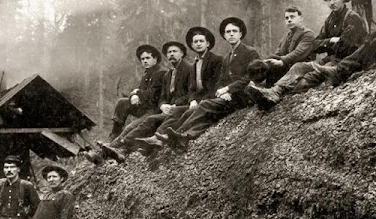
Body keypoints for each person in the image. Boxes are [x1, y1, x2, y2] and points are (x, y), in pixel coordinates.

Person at [151, 17, 260, 149]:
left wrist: (228, 89)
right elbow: (221, 81)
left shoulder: (250, 52)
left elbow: (251, 76)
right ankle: (182, 136)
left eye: (234, 31)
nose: (231, 34)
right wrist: (222, 91)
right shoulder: (227, 58)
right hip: (228, 97)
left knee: (205, 105)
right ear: (224, 36)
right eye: (228, 32)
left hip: (244, 95)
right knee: (196, 113)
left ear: (240, 34)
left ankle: (177, 135)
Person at [96, 36, 203, 162]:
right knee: (122, 103)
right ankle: (111, 143)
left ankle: (115, 147)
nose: (171, 55)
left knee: (133, 126)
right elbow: (163, 96)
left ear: (182, 53)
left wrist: (140, 93)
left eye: (175, 51)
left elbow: (191, 92)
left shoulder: (186, 69)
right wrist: (161, 104)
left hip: (164, 109)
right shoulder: (168, 74)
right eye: (169, 52)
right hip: (160, 107)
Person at [110, 44, 167, 138]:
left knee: (130, 127)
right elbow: (139, 90)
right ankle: (114, 134)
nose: (145, 61)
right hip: (145, 107)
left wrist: (137, 93)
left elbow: (152, 94)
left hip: (155, 110)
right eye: (142, 59)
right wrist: (134, 95)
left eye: (148, 58)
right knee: (122, 102)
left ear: (155, 59)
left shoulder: (161, 73)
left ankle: (118, 142)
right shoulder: (146, 75)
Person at [260, 6, 317, 85]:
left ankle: (270, 89)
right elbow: (278, 53)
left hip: (302, 70)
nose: (289, 20)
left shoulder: (308, 34)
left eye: (292, 17)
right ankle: (257, 83)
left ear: (300, 18)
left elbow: (299, 53)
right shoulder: (286, 37)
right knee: (270, 59)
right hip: (288, 68)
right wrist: (269, 61)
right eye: (287, 18)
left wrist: (282, 61)